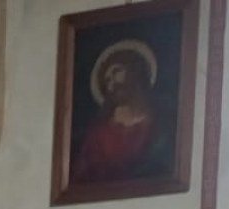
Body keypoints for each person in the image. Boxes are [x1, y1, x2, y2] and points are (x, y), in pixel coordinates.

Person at [72, 42, 172, 184]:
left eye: (116, 72)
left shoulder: (163, 119)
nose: (112, 83)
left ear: (134, 70)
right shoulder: (98, 135)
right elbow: (83, 177)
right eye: (107, 80)